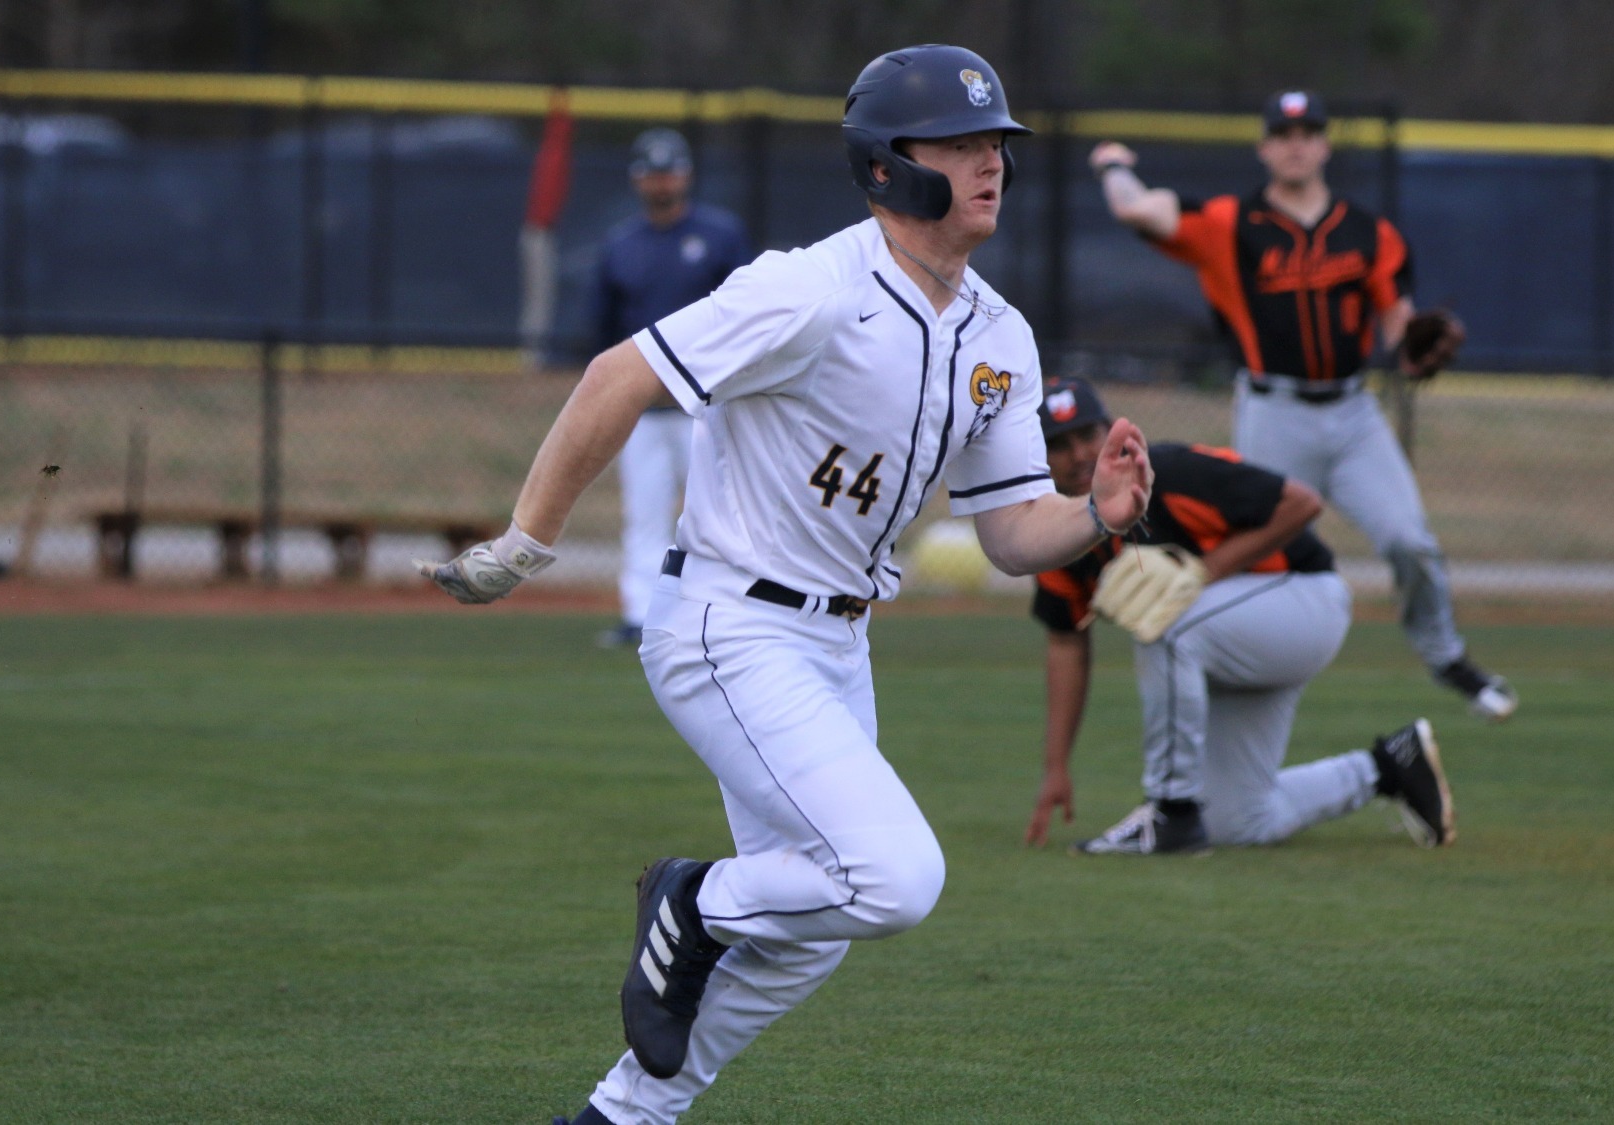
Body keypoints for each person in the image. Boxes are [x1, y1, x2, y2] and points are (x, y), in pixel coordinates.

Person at [418, 45, 1154, 1125]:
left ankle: (623, 1116)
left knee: (812, 936)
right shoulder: (808, 287)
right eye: (960, 144)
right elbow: (615, 375)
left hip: (837, 647)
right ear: (887, 166)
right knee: (892, 879)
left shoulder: (999, 335)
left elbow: (1004, 533)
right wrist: (530, 541)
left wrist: (1096, 516)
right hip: (728, 625)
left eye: (995, 143)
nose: (991, 164)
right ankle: (693, 896)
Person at [1087, 89, 1518, 723]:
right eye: (1283, 133)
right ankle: (1238, 676)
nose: (1295, 143)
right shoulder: (1230, 223)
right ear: (1265, 147)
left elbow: (1398, 327)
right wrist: (1113, 163)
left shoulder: (1370, 233)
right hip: (1273, 411)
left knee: (1409, 541)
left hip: (1352, 417)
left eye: (1308, 131)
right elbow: (1135, 211)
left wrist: (1414, 345)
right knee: (1257, 557)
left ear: (1324, 144)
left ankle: (1445, 655)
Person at [1024, 376, 1453, 855]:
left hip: (1303, 601)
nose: (1080, 453)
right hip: (1231, 638)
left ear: (1114, 435)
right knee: (1238, 820)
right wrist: (1056, 767)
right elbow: (1066, 643)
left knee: (1162, 621)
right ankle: (1386, 766)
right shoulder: (1060, 531)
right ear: (1038, 457)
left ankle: (1171, 812)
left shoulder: (1171, 472)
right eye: (1058, 445)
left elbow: (1302, 503)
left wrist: (1204, 571)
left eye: (1087, 435)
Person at [591, 128, 753, 647]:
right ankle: (641, 615)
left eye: (670, 170)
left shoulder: (720, 235)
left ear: (686, 175)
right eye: (651, 172)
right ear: (638, 179)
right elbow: (602, 331)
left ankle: (736, 613)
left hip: (704, 408)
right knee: (644, 516)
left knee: (725, 513)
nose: (662, 181)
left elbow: (747, 315)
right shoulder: (620, 245)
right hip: (644, 411)